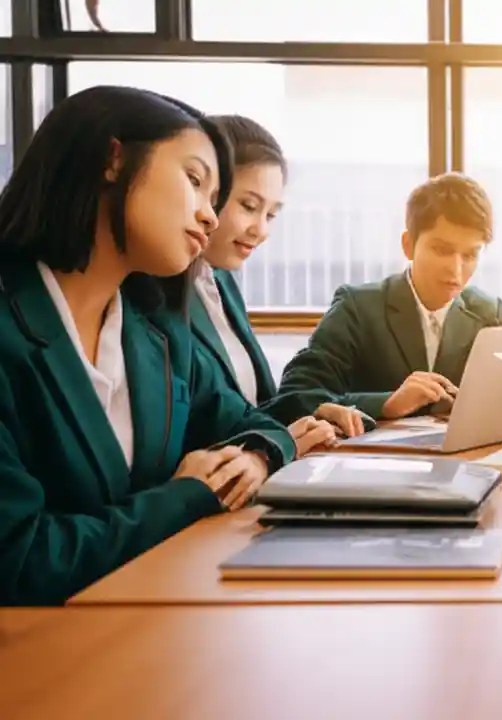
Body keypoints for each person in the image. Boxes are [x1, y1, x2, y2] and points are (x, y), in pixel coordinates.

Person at [0, 86, 296, 606]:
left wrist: (254, 458)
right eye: (195, 181)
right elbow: (20, 560)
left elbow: (258, 425)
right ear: (113, 160)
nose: (209, 215)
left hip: (150, 623)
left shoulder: (154, 331)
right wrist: (183, 498)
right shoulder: (11, 326)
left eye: (215, 200)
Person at [190, 114, 366, 446]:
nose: (261, 230)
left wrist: (312, 410)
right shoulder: (157, 296)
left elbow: (251, 406)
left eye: (270, 215)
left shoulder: (220, 282)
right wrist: (278, 445)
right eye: (248, 206)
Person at [272, 172, 502, 422]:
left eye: (470, 255)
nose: (456, 271)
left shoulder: (486, 313)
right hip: (370, 458)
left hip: (461, 458)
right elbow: (296, 396)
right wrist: (385, 404)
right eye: (441, 250)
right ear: (408, 245)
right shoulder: (358, 308)